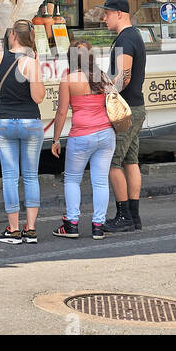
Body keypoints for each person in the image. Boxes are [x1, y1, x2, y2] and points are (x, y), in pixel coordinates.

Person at [48, 37, 116, 239]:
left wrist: (56, 140)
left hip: (82, 135)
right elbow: (113, 102)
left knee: (72, 179)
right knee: (101, 182)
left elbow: (61, 113)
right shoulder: (102, 77)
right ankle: (98, 226)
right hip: (106, 134)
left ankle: (71, 224)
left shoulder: (68, 80)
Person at [0, 20, 46, 244]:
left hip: (5, 122)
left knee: (10, 177)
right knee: (31, 175)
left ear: (12, 35)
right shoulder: (31, 63)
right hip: (30, 122)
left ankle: (13, 230)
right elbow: (38, 97)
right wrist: (38, 66)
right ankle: (30, 229)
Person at [101, 0, 148, 231]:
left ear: (120, 14)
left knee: (112, 161)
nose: (103, 17)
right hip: (136, 107)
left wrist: (109, 89)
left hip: (125, 110)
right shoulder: (133, 36)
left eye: (107, 13)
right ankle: (134, 216)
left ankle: (124, 216)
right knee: (131, 160)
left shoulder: (124, 40)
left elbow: (124, 76)